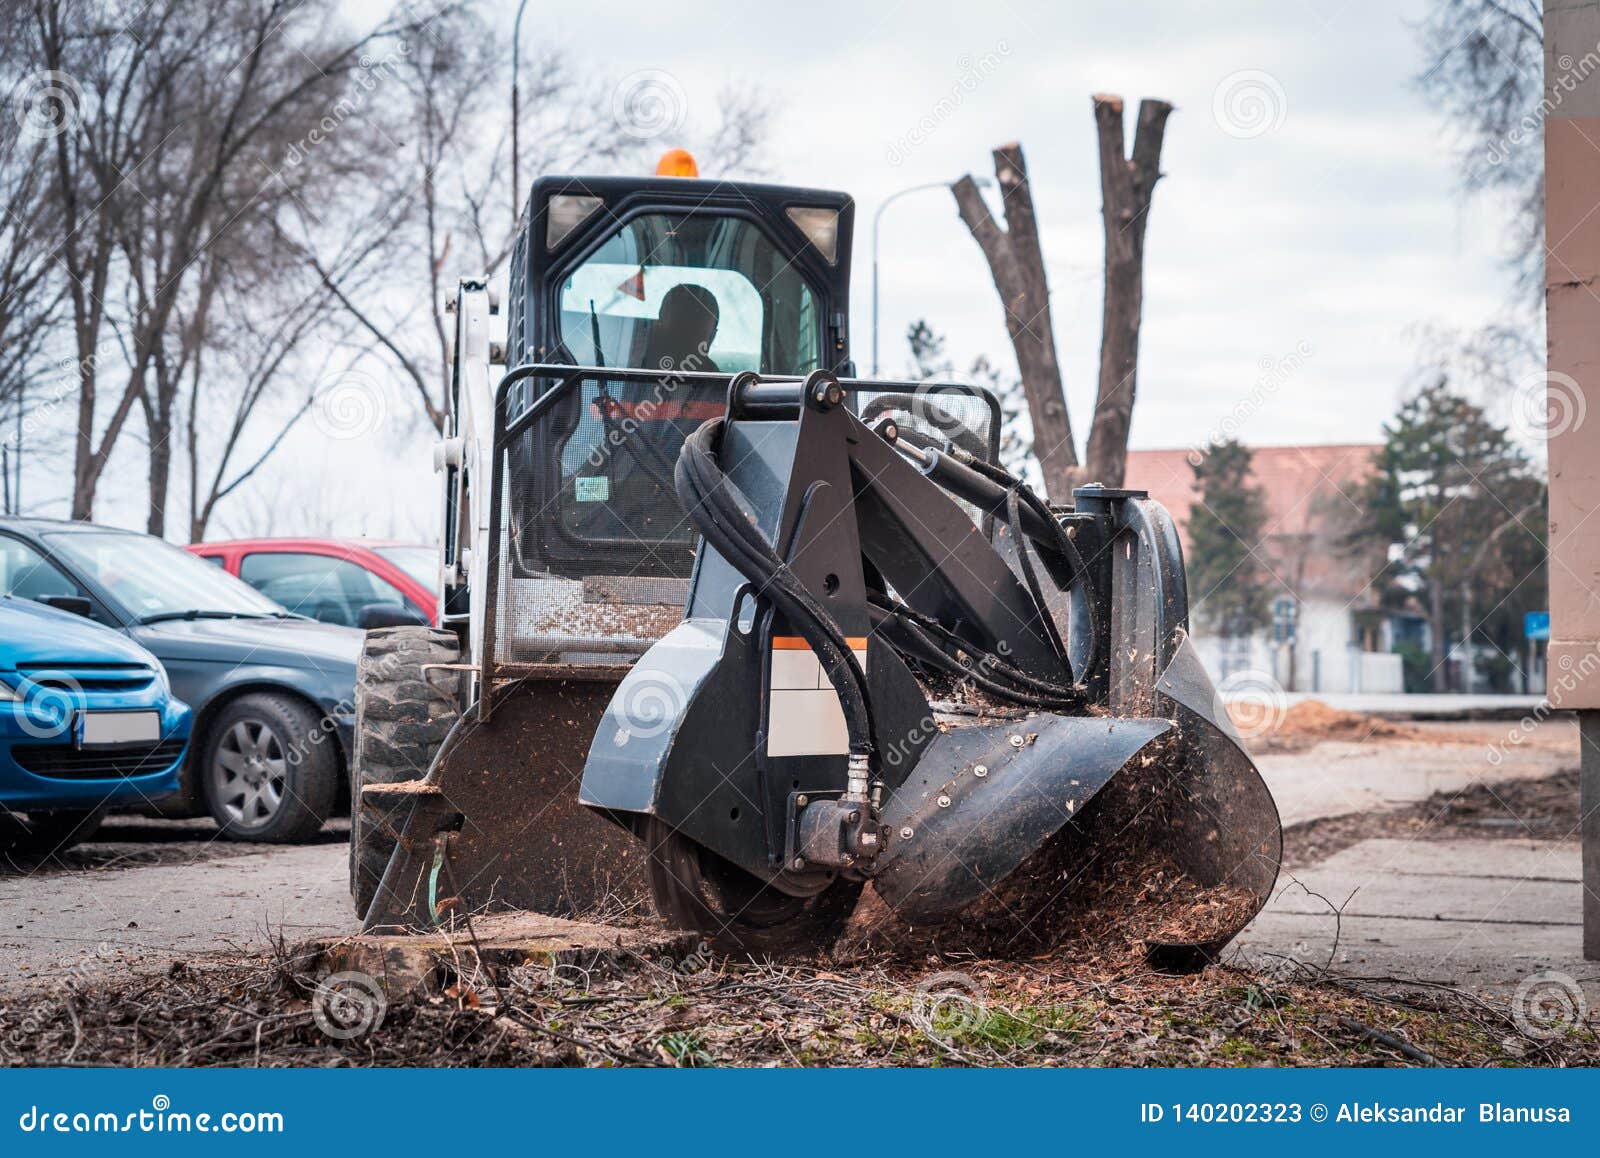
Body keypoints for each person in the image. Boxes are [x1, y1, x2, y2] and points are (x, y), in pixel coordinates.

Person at [643, 283, 720, 374]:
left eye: (693, 332)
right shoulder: (631, 372)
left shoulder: (720, 385)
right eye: (677, 329)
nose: (683, 339)